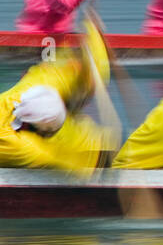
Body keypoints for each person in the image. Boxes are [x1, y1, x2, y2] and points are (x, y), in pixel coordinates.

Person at [0, 28, 114, 171]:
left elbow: (79, 68)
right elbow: (70, 160)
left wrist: (95, 39)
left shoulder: (37, 84)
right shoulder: (24, 149)